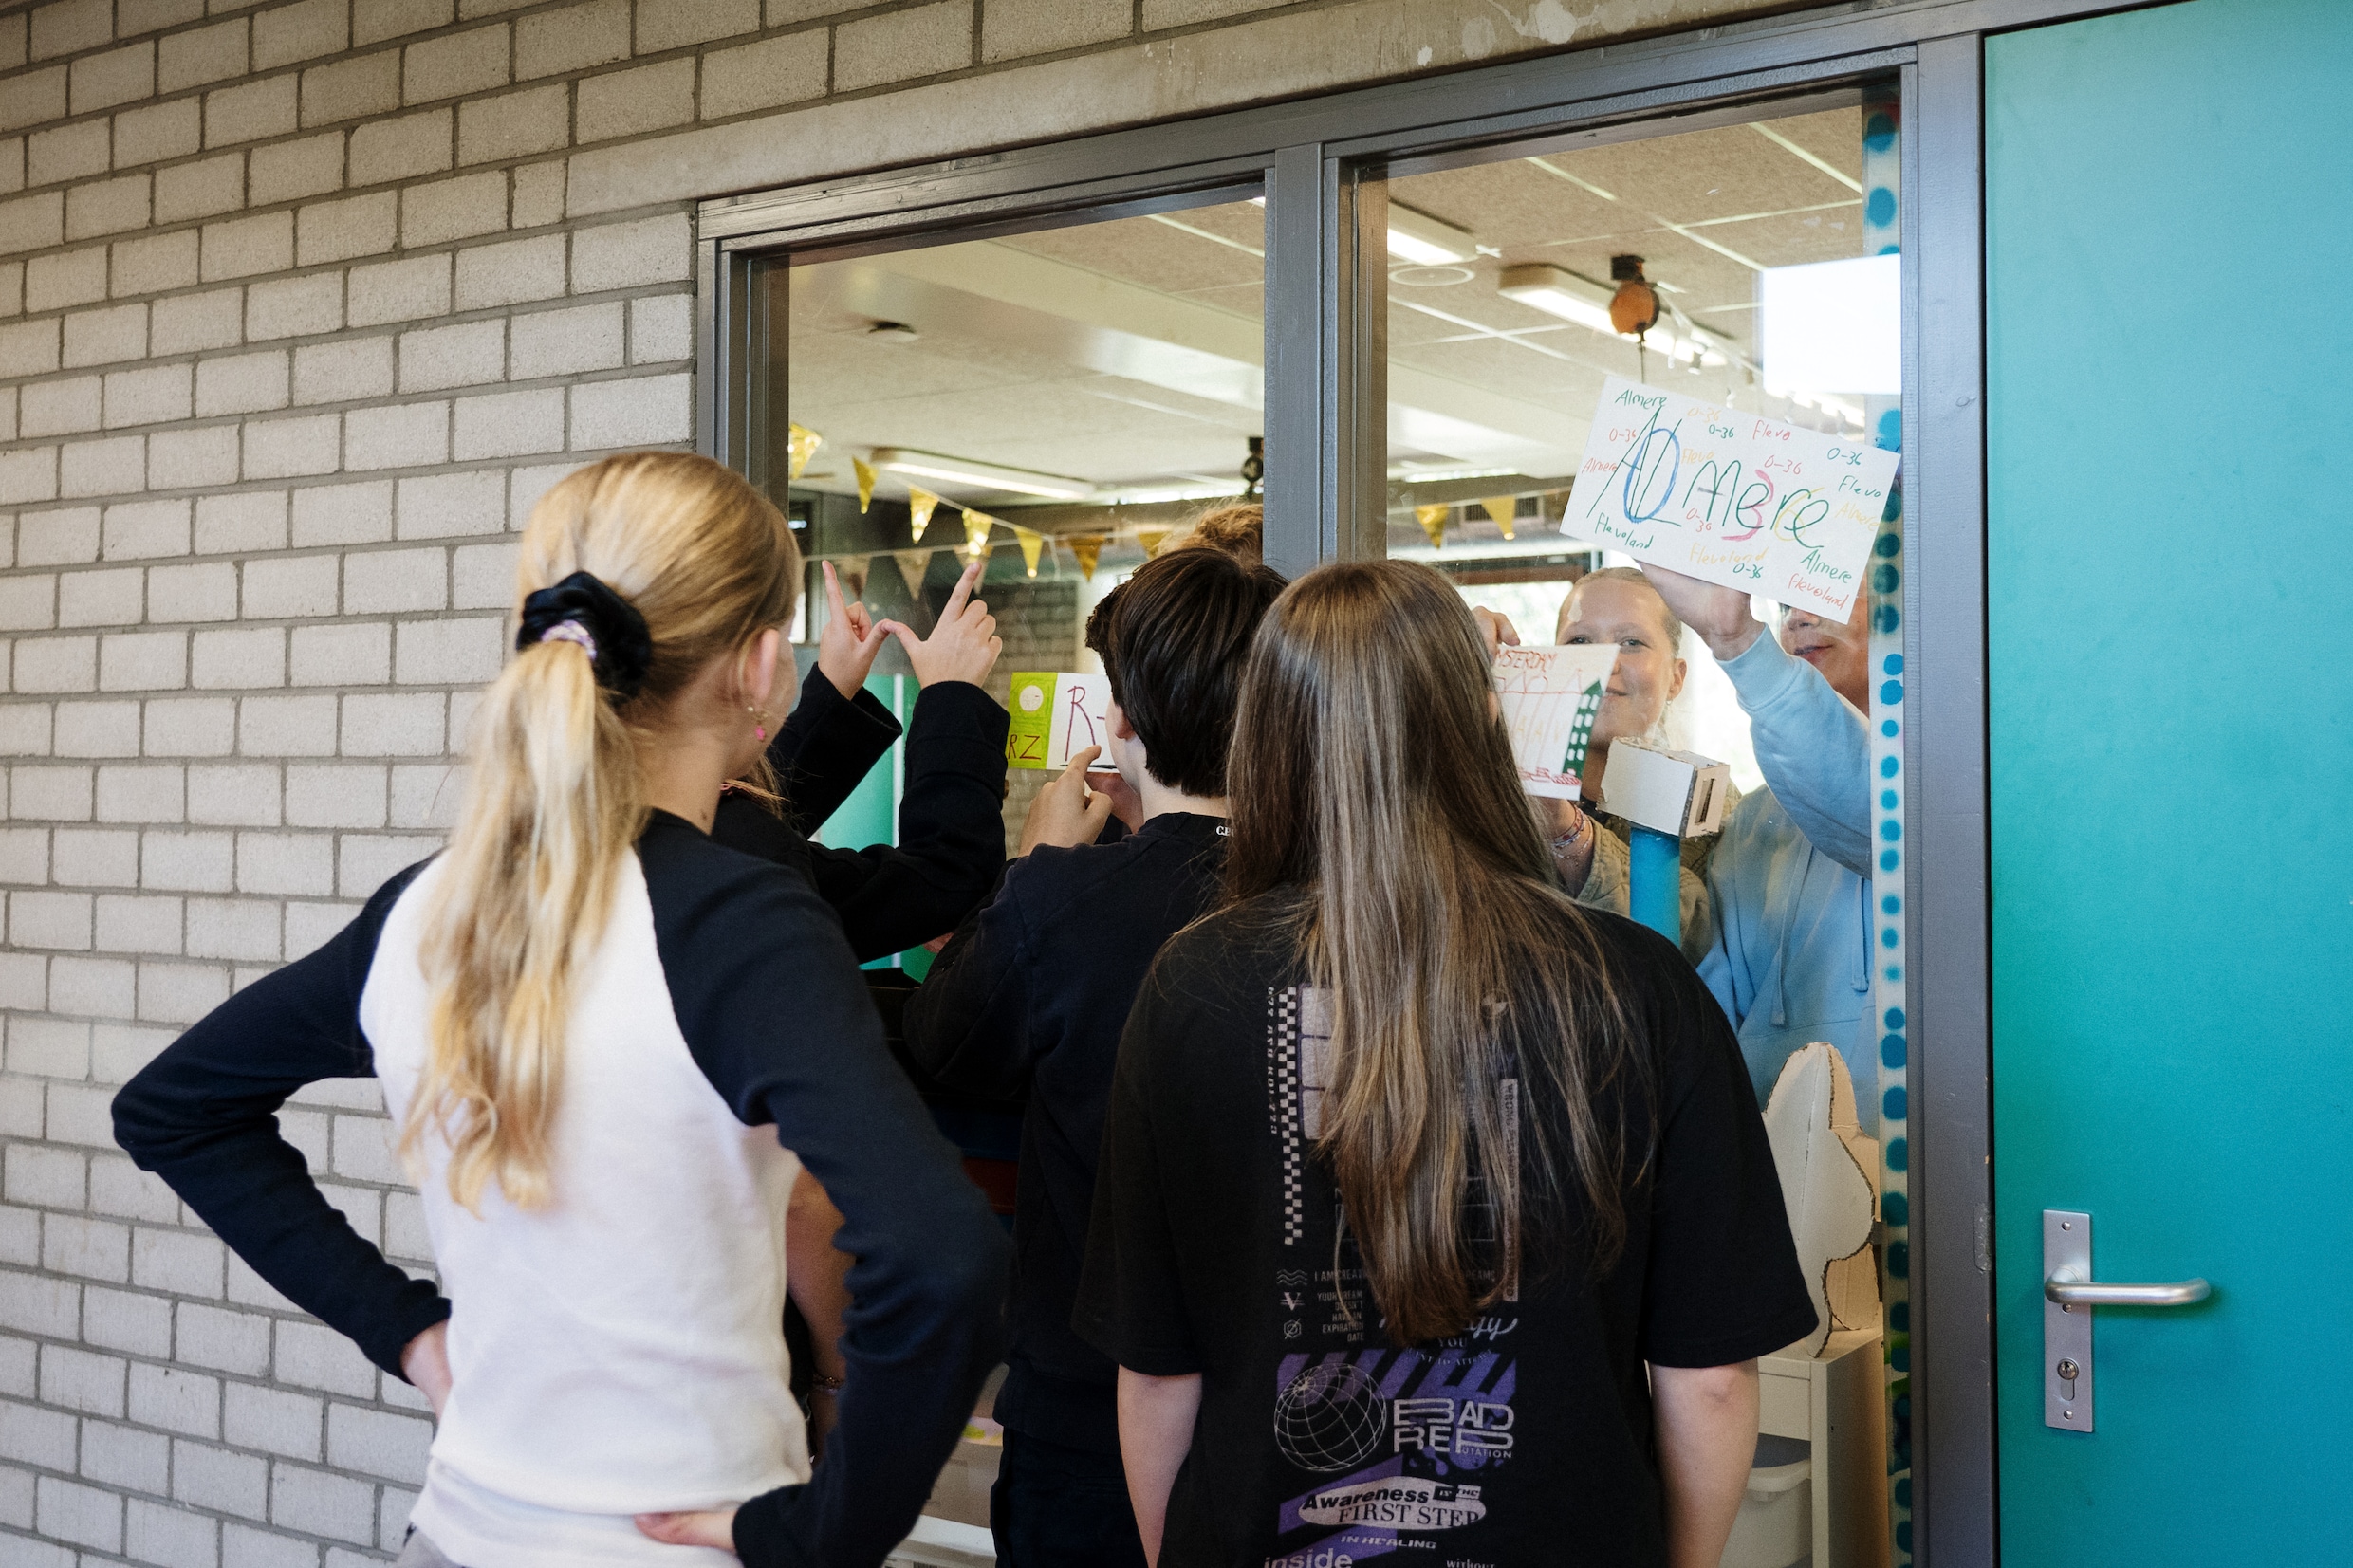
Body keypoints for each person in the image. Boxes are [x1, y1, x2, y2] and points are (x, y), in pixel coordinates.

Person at [112, 452, 1010, 1568]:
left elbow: (170, 1110)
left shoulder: (429, 908)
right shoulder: (741, 922)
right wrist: (818, 1538)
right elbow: (943, 1258)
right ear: (762, 667)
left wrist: (412, 1337)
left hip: (457, 1531)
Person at [1075, 561, 1815, 1568]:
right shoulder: (1635, 987)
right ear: (1484, 724)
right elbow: (1710, 1377)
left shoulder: (1190, 987)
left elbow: (1157, 1374)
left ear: (1270, 736)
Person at [902, 546, 1288, 1568]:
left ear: (1120, 721)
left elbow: (942, 1049)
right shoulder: (1353, 902)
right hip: (1308, 1406)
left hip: (1089, 1405)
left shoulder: (1061, 901)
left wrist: (1035, 867)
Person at [1636, 566, 1880, 1127]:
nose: (1800, 616)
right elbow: (1711, 1015)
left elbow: (1873, 811)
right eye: (1788, 599)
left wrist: (1739, 642)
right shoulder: (1754, 820)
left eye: (1830, 588)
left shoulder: (1957, 793)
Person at [713, 555, 1011, 963]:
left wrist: (834, 690)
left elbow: (759, 805)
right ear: (759, 663)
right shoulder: (741, 860)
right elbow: (947, 876)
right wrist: (951, 697)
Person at [1535, 566, 1729, 961]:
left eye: (1632, 642)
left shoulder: (1715, 809)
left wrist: (1566, 831)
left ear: (1676, 678)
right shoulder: (1504, 782)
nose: (1605, 662)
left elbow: (1698, 940)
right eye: (1580, 641)